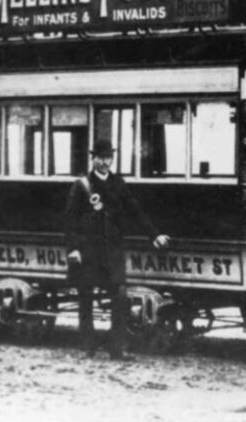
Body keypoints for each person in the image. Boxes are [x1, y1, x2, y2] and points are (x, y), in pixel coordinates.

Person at [65, 139, 170, 360]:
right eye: (101, 158)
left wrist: (154, 235)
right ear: (93, 158)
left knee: (120, 298)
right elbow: (71, 220)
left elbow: (135, 210)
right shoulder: (81, 185)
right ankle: (88, 346)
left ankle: (116, 349)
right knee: (85, 298)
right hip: (88, 251)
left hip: (112, 250)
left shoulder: (118, 184)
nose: (105, 162)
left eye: (109, 158)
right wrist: (74, 248)